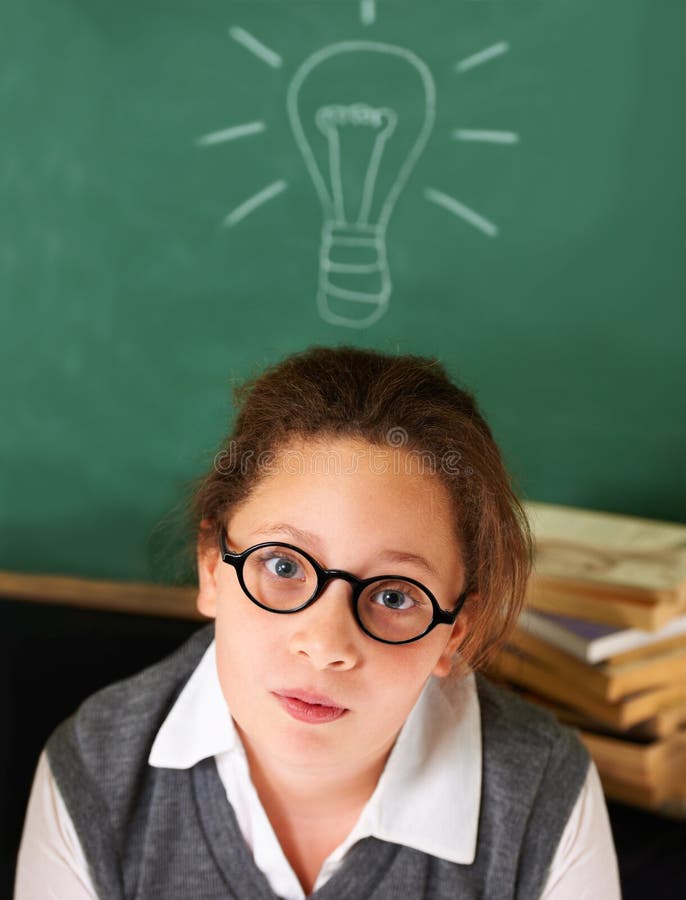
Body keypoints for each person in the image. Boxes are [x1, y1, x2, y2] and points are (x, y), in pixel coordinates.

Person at [15, 346, 620, 899]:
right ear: (209, 569)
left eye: (394, 596)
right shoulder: (97, 772)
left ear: (454, 632)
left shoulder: (544, 794)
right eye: (282, 564)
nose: (326, 645)